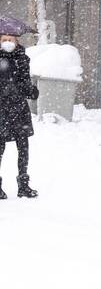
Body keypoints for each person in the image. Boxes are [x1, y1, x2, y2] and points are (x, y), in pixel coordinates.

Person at [0, 33, 39, 199]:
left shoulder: (22, 58)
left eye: (11, 39)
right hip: (1, 109)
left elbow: (25, 82)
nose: (8, 42)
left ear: (16, 41)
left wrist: (30, 91)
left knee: (23, 147)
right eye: (4, 40)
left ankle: (23, 185)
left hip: (19, 109)